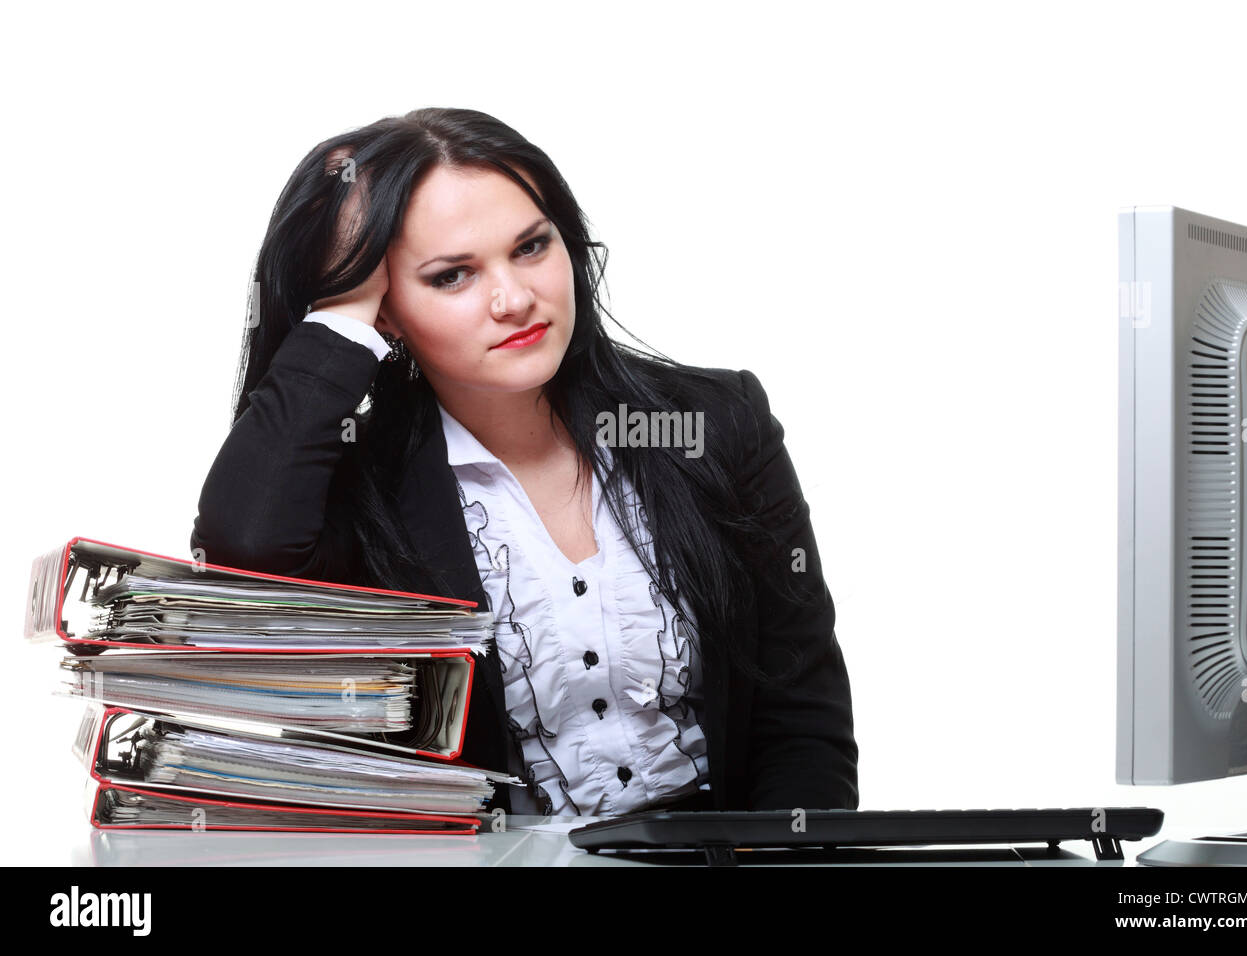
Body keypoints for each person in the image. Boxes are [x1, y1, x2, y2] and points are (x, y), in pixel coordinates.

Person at [191, 106, 857, 817]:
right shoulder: (362, 489)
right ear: (384, 307)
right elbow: (244, 549)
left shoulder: (715, 425)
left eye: (532, 247)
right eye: (453, 276)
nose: (515, 300)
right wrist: (341, 320)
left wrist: (786, 862)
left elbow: (801, 718)